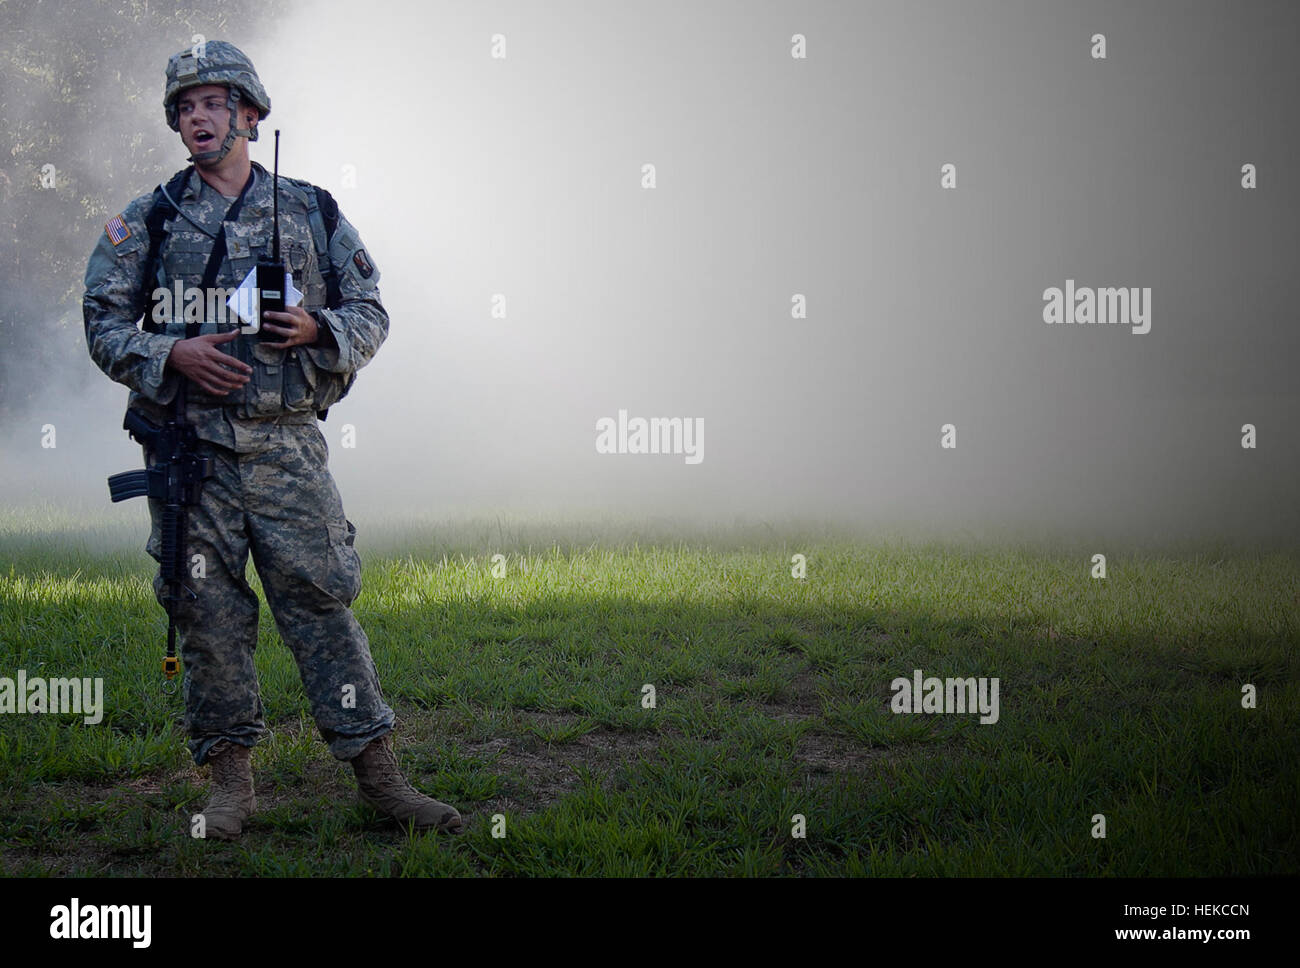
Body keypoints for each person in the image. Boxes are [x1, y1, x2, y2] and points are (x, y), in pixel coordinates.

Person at [82, 40, 462, 839]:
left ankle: (381, 777)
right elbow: (101, 321)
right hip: (192, 458)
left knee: (322, 607)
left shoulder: (313, 209)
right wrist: (169, 354)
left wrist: (319, 326)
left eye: (215, 103)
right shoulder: (148, 218)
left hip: (288, 450)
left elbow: (371, 309)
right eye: (185, 107)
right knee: (207, 617)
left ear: (250, 114)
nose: (199, 117)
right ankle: (230, 787)